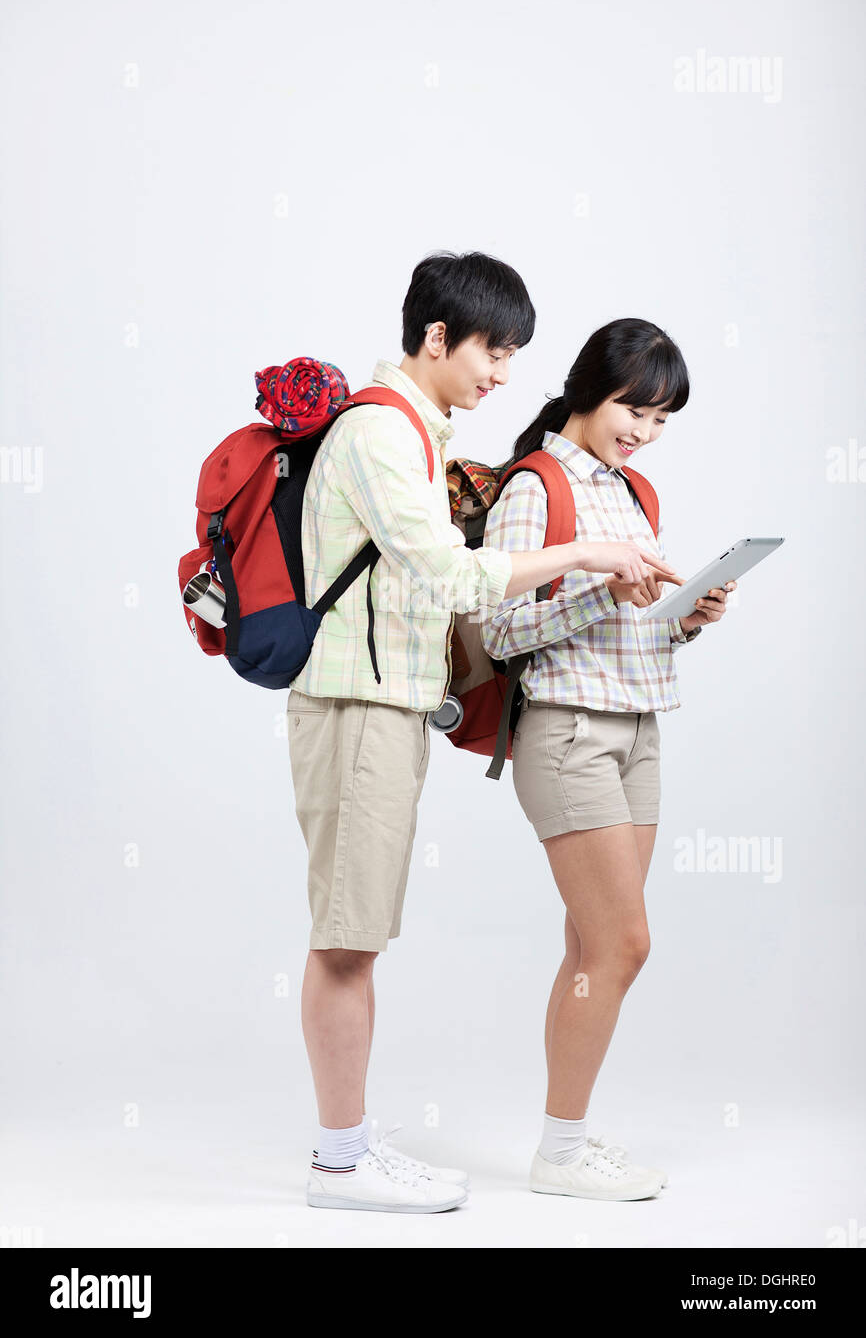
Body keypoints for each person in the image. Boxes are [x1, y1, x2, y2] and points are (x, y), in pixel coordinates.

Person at [287, 259, 678, 1213]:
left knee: (361, 928)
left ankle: (351, 1151)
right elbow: (459, 581)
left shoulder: (416, 431)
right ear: (436, 339)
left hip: (389, 702)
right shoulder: (382, 429)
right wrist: (588, 554)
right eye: (493, 350)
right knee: (349, 934)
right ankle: (341, 1161)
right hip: (354, 701)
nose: (504, 373)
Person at [479, 318, 736, 1202]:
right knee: (625, 941)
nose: (645, 431)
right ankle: (560, 1151)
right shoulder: (534, 485)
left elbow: (632, 630)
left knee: (593, 941)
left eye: (663, 419)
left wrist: (686, 619)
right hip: (567, 735)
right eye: (635, 408)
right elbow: (500, 629)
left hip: (640, 728)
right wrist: (596, 590)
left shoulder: (636, 494)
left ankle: (567, 1141)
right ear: (592, 387)